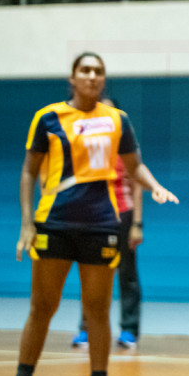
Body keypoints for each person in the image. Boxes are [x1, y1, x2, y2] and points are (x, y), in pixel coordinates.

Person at [0, 52, 178, 376]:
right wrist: (27, 223)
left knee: (97, 310)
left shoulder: (117, 120)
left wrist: (155, 186)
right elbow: (29, 172)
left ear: (103, 80)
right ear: (73, 77)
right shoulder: (47, 117)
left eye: (98, 71)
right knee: (42, 307)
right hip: (55, 222)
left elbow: (134, 166)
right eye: (86, 70)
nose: (92, 76)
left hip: (101, 224)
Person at [72, 122, 144, 351]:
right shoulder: (85, 144)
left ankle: (129, 330)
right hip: (93, 216)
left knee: (127, 275)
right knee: (90, 274)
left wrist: (137, 224)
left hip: (123, 214)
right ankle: (86, 328)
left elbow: (138, 186)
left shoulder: (128, 145)